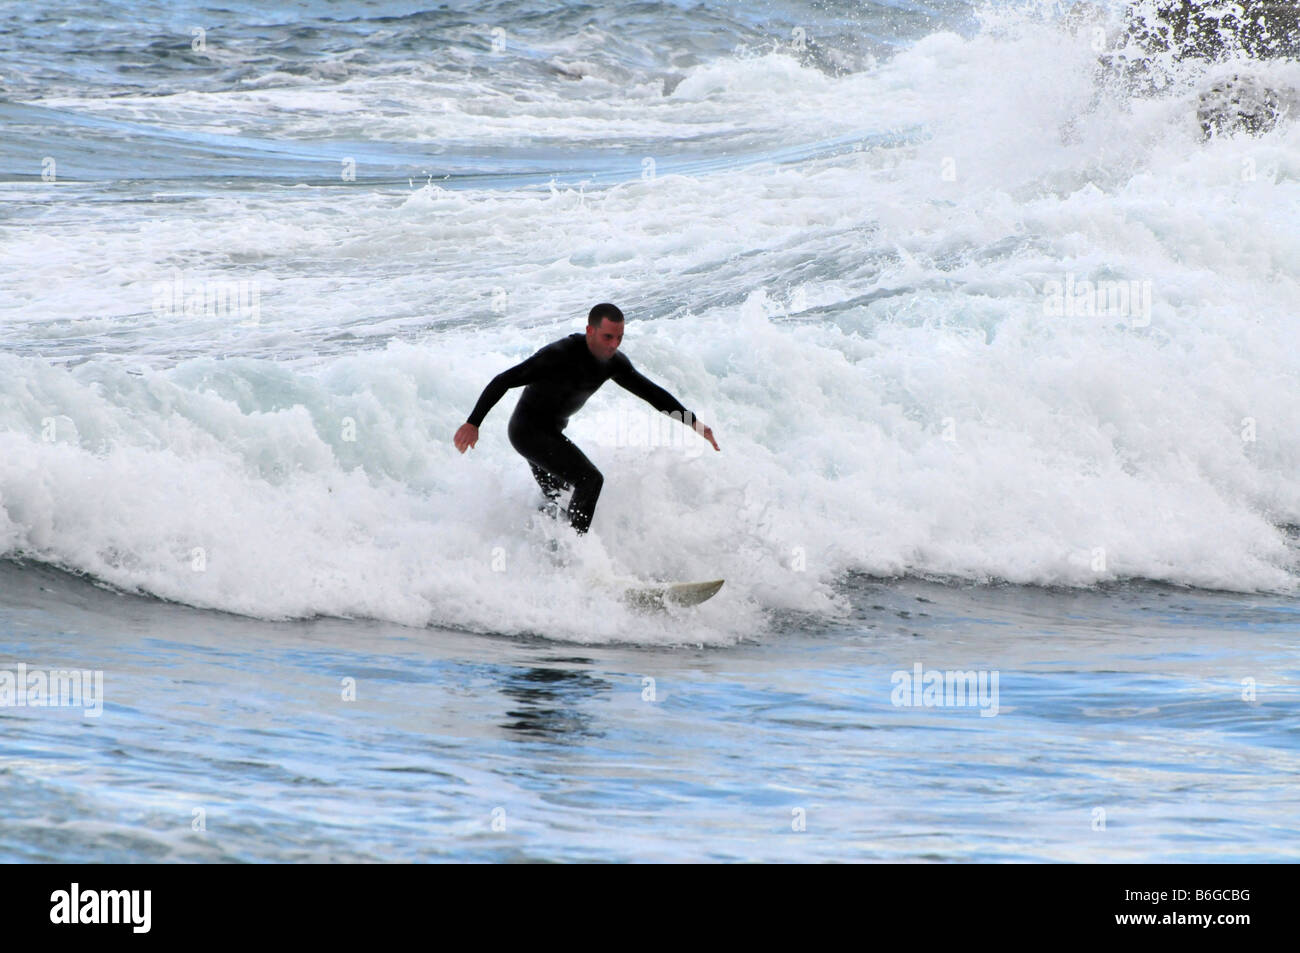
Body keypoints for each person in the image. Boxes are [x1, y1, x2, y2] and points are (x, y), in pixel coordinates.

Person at [453, 303, 720, 534]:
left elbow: (652, 394)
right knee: (590, 480)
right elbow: (504, 380)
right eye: (607, 337)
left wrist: (694, 423)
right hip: (527, 432)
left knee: (559, 500)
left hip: (551, 436)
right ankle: (578, 558)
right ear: (590, 330)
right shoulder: (558, 355)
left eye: (619, 338)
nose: (613, 345)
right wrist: (473, 423)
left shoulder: (613, 363)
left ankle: (547, 552)